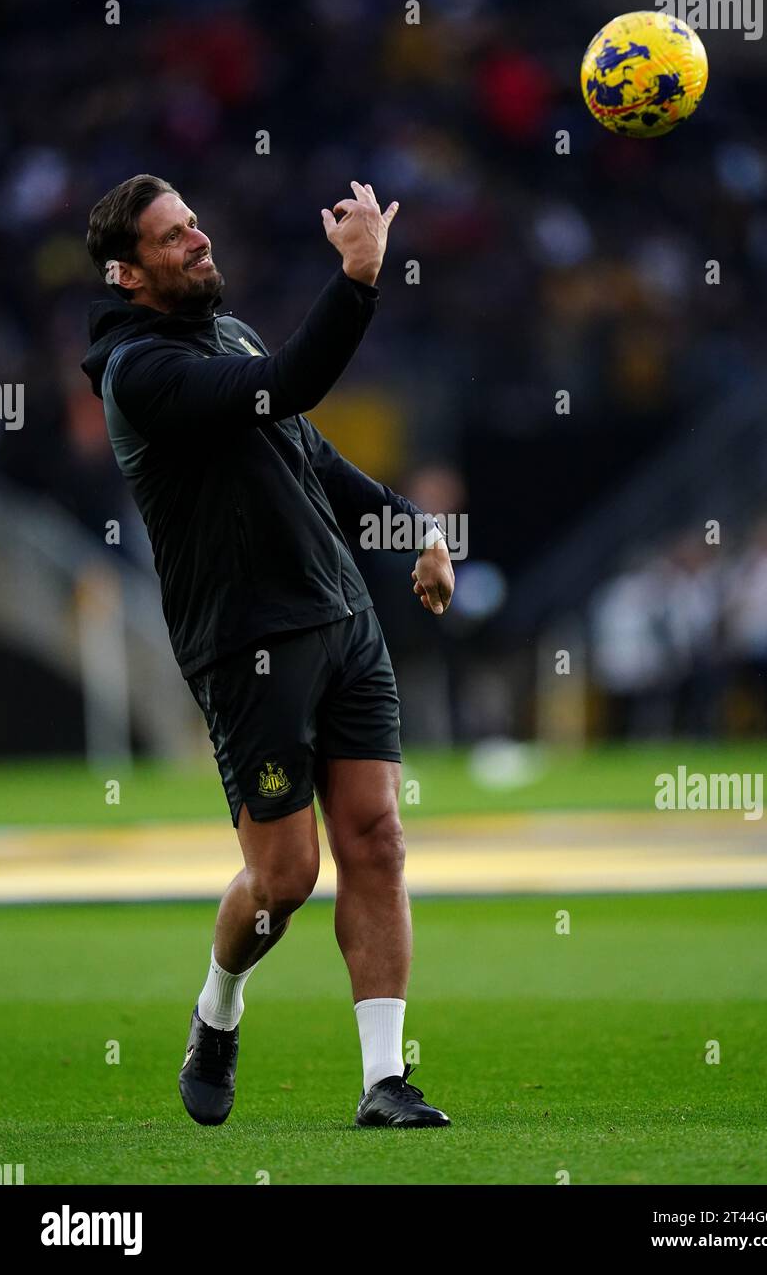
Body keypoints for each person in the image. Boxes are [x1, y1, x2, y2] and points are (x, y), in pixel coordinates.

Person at [81, 174, 454, 1128]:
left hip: (340, 623)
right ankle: (218, 1008)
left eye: (196, 223)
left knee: (375, 839)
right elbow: (287, 384)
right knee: (284, 880)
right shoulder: (141, 374)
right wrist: (358, 280)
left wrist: (411, 528)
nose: (198, 241)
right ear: (127, 273)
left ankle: (384, 1082)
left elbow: (312, 456)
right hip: (247, 647)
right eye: (173, 238)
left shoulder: (232, 332)